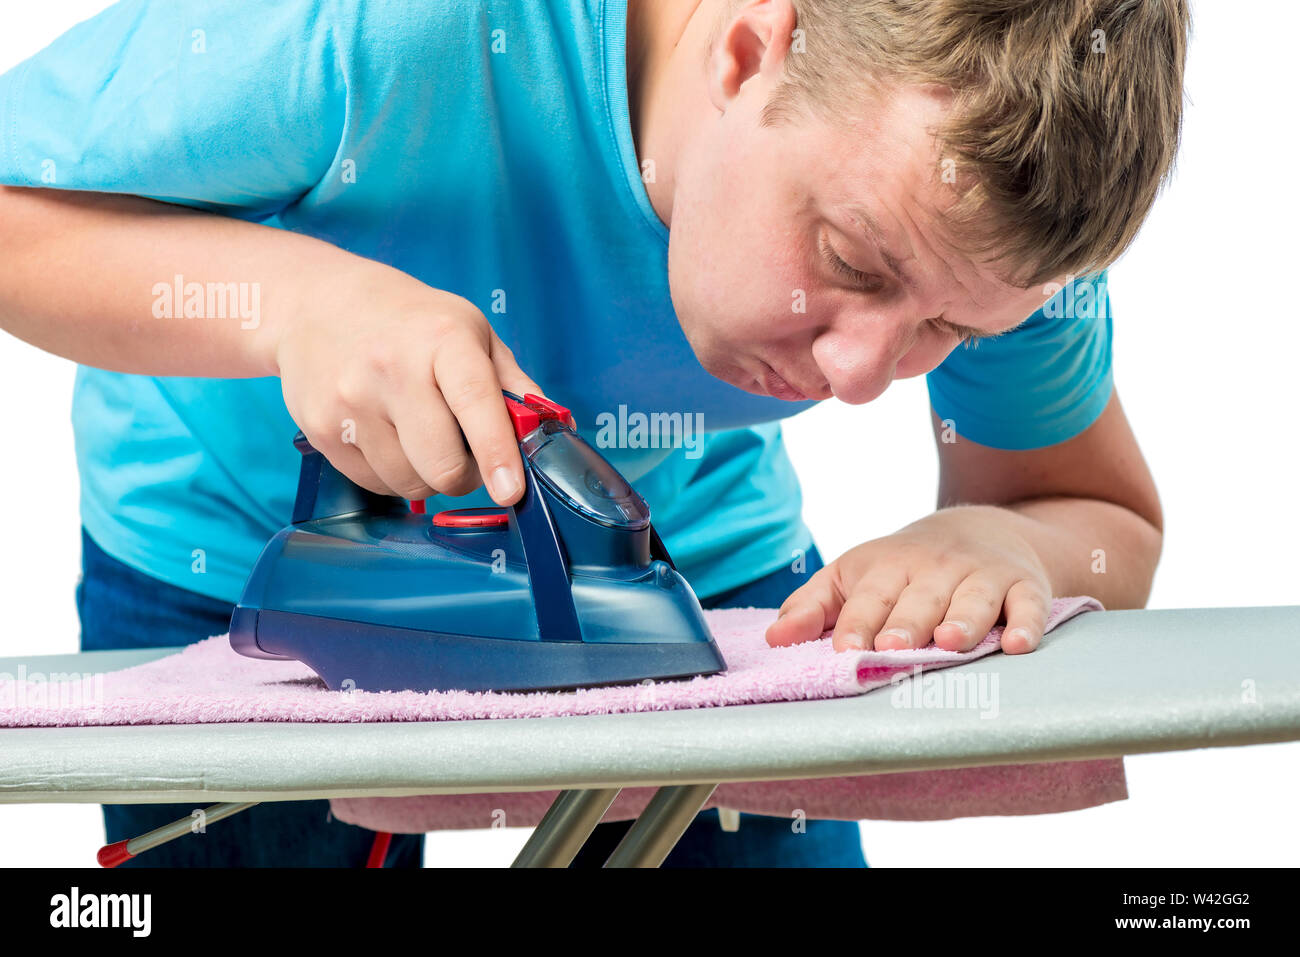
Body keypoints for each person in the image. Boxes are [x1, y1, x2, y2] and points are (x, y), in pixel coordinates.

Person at [0, 0, 1185, 866]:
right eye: (846, 263)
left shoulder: (985, 233)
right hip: (231, 545)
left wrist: (1001, 543)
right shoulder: (383, 32)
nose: (859, 377)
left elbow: (1096, 516)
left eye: (945, 335)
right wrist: (293, 305)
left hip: (692, 566)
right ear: (744, 54)